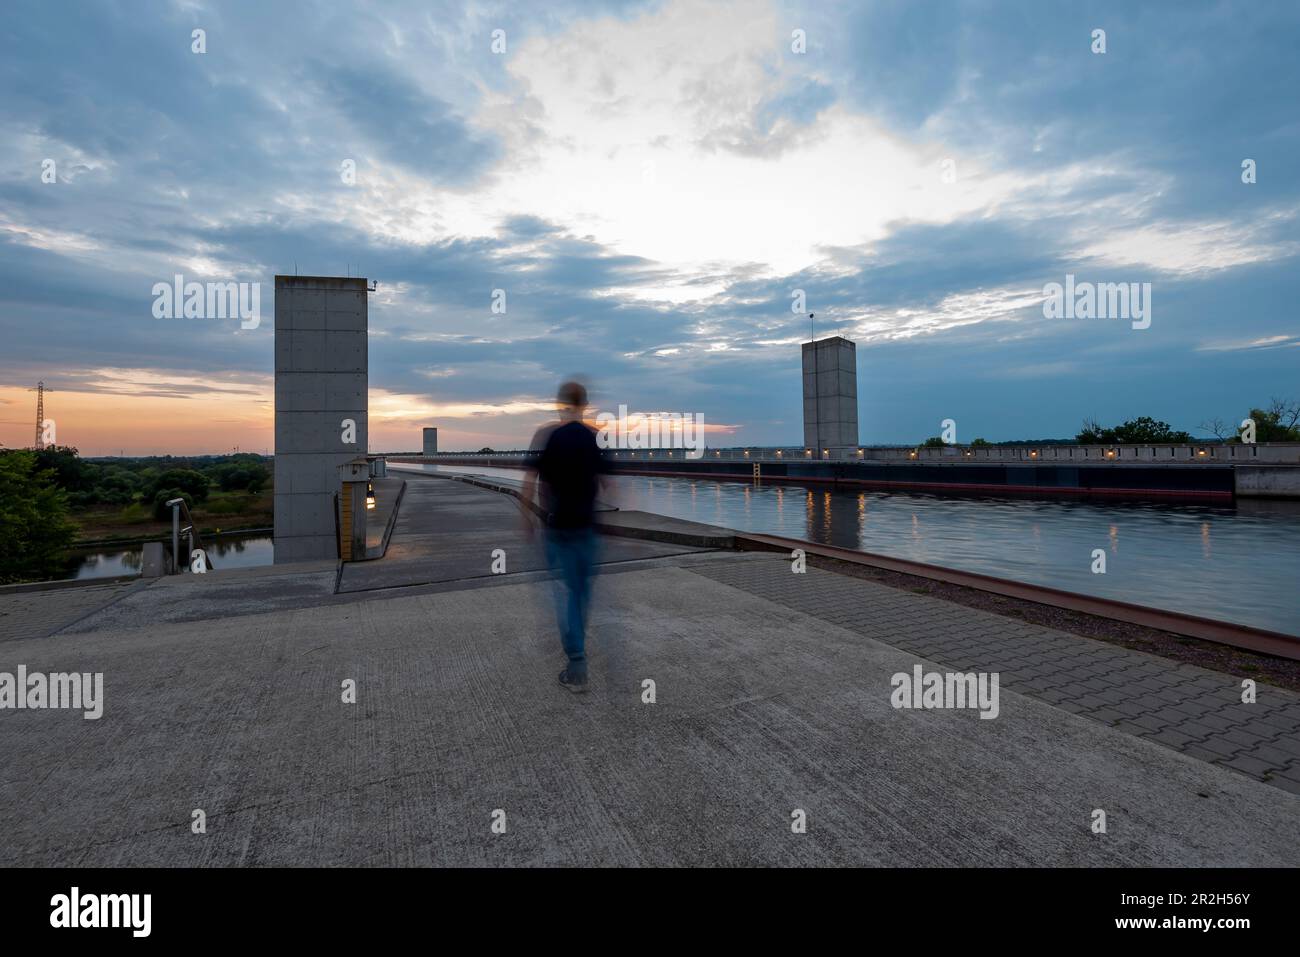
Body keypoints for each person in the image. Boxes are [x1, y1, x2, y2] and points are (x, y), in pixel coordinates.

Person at [521, 380, 611, 693]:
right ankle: (577, 654)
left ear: (561, 405)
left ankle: (576, 664)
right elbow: (610, 486)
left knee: (560, 593)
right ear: (584, 405)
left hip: (558, 529)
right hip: (587, 528)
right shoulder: (594, 437)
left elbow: (530, 482)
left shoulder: (549, 436)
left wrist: (526, 519)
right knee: (581, 593)